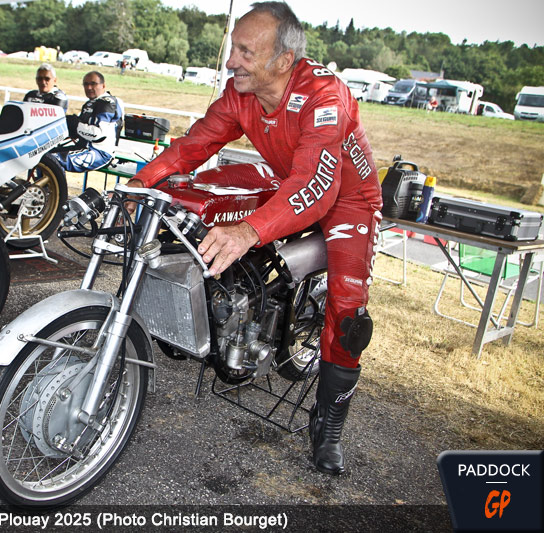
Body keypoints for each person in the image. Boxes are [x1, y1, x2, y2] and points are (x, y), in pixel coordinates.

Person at [127, 1, 383, 475]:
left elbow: (317, 187)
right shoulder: (240, 91)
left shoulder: (326, 94)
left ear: (283, 61)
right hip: (290, 177)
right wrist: (144, 182)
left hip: (345, 197)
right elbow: (196, 143)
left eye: (246, 51)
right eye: (232, 49)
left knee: (349, 312)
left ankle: (327, 429)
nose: (231, 61)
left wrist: (249, 231)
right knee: (204, 202)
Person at [52, 71, 123, 173]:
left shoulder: (108, 103)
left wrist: (76, 126)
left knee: (52, 159)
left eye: (93, 84)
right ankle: (46, 187)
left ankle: (55, 188)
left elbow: (98, 135)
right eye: (86, 84)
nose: (89, 87)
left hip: (100, 153)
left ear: (103, 85)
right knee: (43, 155)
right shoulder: (90, 103)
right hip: (82, 147)